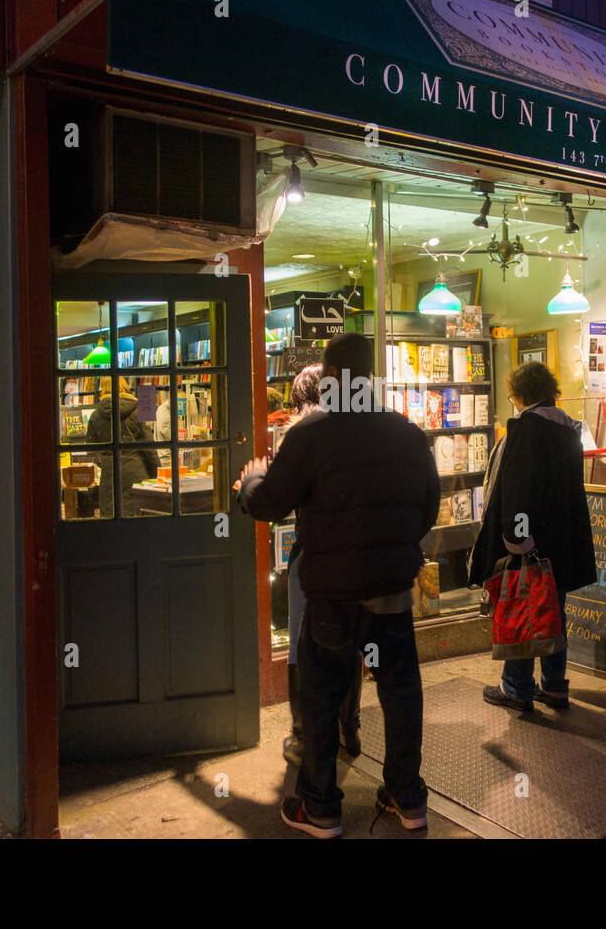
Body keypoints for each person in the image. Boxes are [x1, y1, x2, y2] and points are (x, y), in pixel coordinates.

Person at [236, 334, 439, 838]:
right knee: (400, 692)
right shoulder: (407, 434)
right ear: (373, 379)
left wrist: (251, 482)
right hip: (391, 592)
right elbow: (428, 508)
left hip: (331, 593)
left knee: (322, 696)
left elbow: (269, 505)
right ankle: (407, 797)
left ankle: (321, 807)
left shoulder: (311, 434)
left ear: (331, 377)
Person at [468, 361, 595, 712]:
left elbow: (519, 490)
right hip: (562, 541)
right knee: (555, 610)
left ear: (519, 393)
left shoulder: (526, 431)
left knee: (522, 609)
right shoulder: (569, 430)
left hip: (532, 541)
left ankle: (516, 687)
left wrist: (517, 540)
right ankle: (554, 686)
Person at [276, 365, 365, 768]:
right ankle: (351, 727)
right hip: (356, 556)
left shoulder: (301, 437)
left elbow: (279, 501)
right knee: (348, 642)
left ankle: (303, 734)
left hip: (313, 554)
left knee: (302, 643)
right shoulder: (364, 433)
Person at [86, 376, 161, 518]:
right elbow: (149, 448)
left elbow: (92, 451)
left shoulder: (96, 415)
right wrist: (157, 475)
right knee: (139, 521)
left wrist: (108, 462)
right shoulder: (138, 410)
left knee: (112, 522)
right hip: (137, 473)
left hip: (110, 478)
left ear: (102, 389)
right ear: (125, 386)